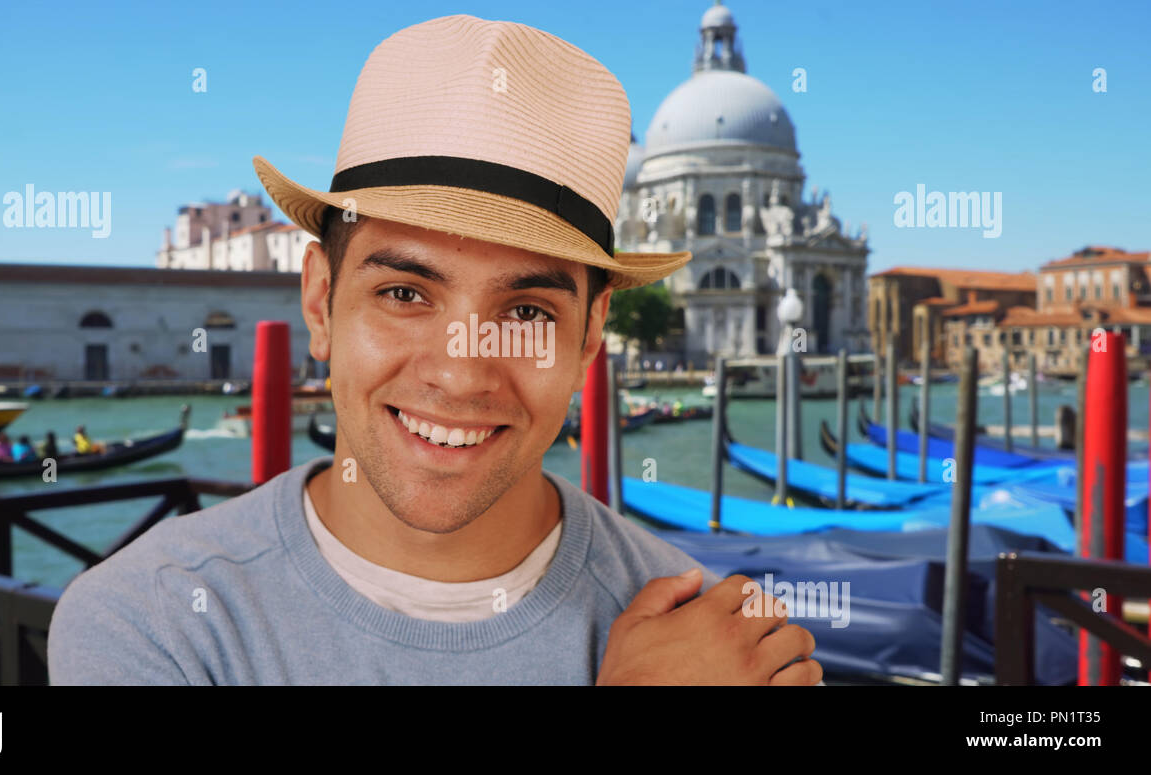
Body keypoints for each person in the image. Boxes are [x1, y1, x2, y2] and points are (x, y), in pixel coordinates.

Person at [50, 15, 820, 687]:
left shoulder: (724, 642)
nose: (459, 369)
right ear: (320, 300)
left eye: (525, 310)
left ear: (590, 335)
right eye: (405, 295)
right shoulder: (148, 620)